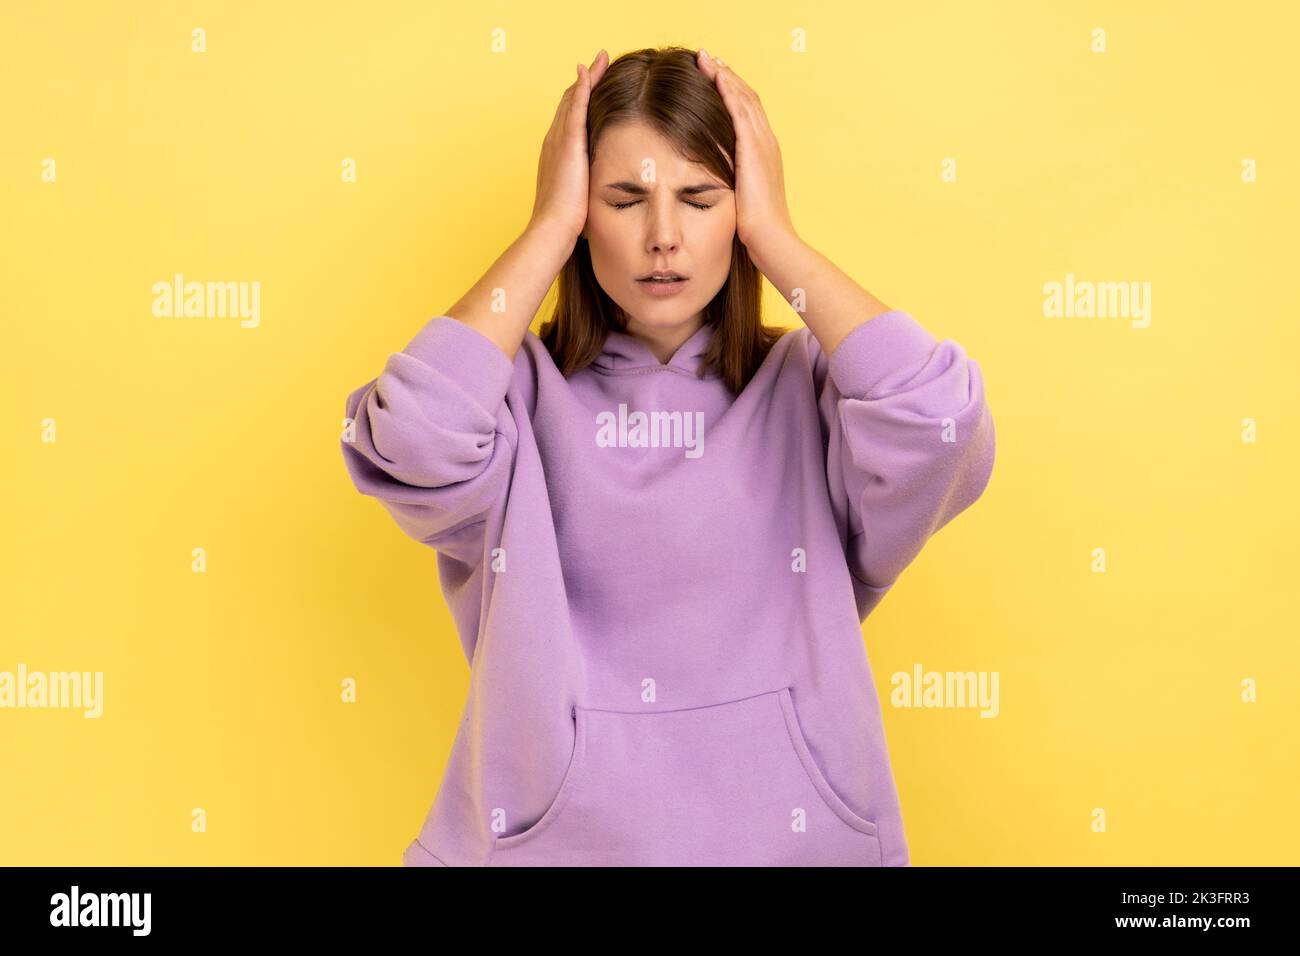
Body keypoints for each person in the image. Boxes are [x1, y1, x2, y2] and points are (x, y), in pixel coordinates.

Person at [340, 45, 996, 866]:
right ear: (581, 214)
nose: (663, 237)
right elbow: (408, 438)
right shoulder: (512, 393)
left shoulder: (813, 390)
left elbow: (946, 430)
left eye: (699, 197)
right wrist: (545, 229)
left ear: (740, 209)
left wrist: (778, 239)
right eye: (623, 198)